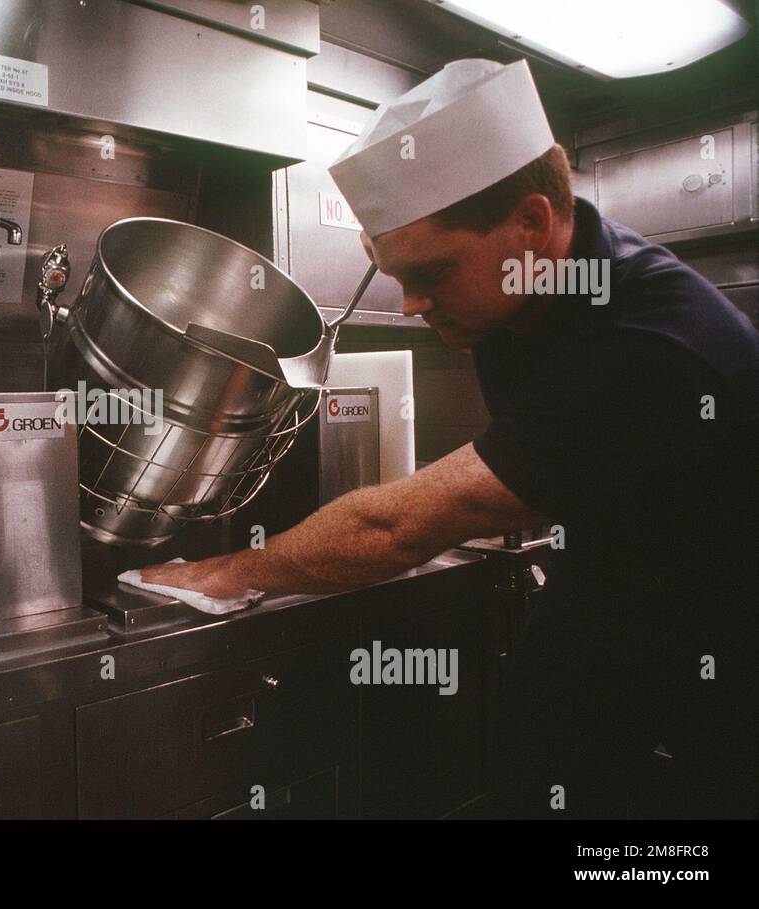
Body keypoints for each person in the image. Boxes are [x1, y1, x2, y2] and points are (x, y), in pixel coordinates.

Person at [141, 59, 758, 819]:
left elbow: (397, 526)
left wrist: (229, 571)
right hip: (608, 593)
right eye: (392, 275)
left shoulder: (649, 342)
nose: (409, 305)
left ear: (532, 223)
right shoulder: (526, 287)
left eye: (431, 271)